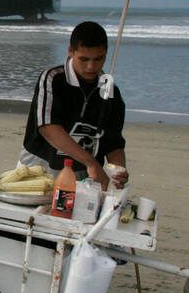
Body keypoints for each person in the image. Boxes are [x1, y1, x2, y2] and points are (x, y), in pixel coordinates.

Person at [20, 21, 129, 189]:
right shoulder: (53, 79)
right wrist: (91, 162)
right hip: (38, 171)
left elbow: (113, 142)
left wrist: (119, 171)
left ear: (106, 54)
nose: (91, 67)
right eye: (84, 59)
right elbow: (48, 128)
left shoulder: (110, 91)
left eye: (98, 59)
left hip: (84, 178)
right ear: (71, 51)